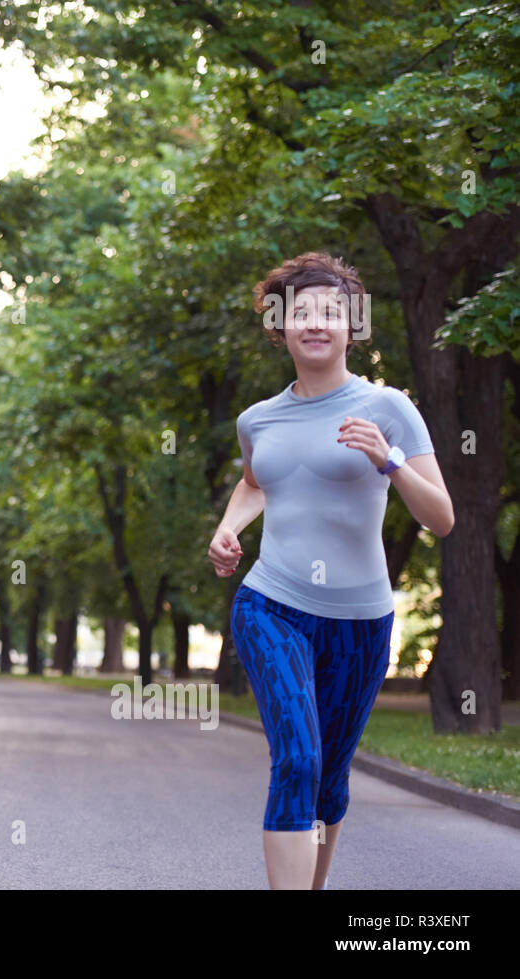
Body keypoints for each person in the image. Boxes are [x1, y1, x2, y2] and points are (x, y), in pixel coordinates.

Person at [207, 252, 453, 889]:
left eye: (332, 311)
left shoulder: (389, 407)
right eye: (302, 311)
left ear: (353, 326)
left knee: (330, 776)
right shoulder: (257, 419)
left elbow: (443, 518)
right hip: (271, 604)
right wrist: (229, 529)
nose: (316, 322)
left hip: (360, 621)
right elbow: (256, 482)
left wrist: (391, 460)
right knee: (298, 756)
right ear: (280, 326)